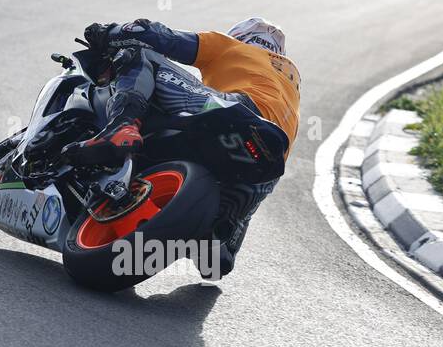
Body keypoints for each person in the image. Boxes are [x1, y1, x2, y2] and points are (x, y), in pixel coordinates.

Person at [69, 16, 301, 275]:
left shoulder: (233, 47)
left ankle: (121, 126)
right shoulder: (290, 88)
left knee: (139, 53)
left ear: (240, 36)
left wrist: (107, 33)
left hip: (232, 112)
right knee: (216, 262)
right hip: (265, 162)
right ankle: (221, 235)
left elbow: (156, 35)